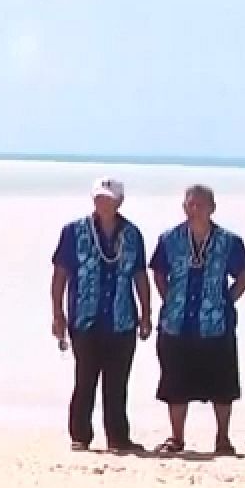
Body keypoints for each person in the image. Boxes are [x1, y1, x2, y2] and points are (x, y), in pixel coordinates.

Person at [149, 185, 245, 455]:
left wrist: (225, 301)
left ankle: (223, 439)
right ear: (184, 207)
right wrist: (169, 299)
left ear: (212, 208)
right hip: (176, 323)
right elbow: (158, 273)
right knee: (175, 383)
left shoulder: (230, 241)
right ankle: (176, 437)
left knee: (223, 384)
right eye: (190, 204)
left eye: (201, 205)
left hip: (216, 326)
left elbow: (244, 277)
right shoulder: (169, 239)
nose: (195, 210)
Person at [50, 178, 152, 453]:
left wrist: (146, 313)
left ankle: (118, 437)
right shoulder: (73, 231)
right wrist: (57, 314)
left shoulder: (132, 234)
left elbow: (140, 275)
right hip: (85, 319)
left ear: (119, 201)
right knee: (85, 379)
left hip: (122, 320)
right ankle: (80, 435)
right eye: (98, 198)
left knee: (117, 383)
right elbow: (60, 274)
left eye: (108, 198)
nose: (102, 203)